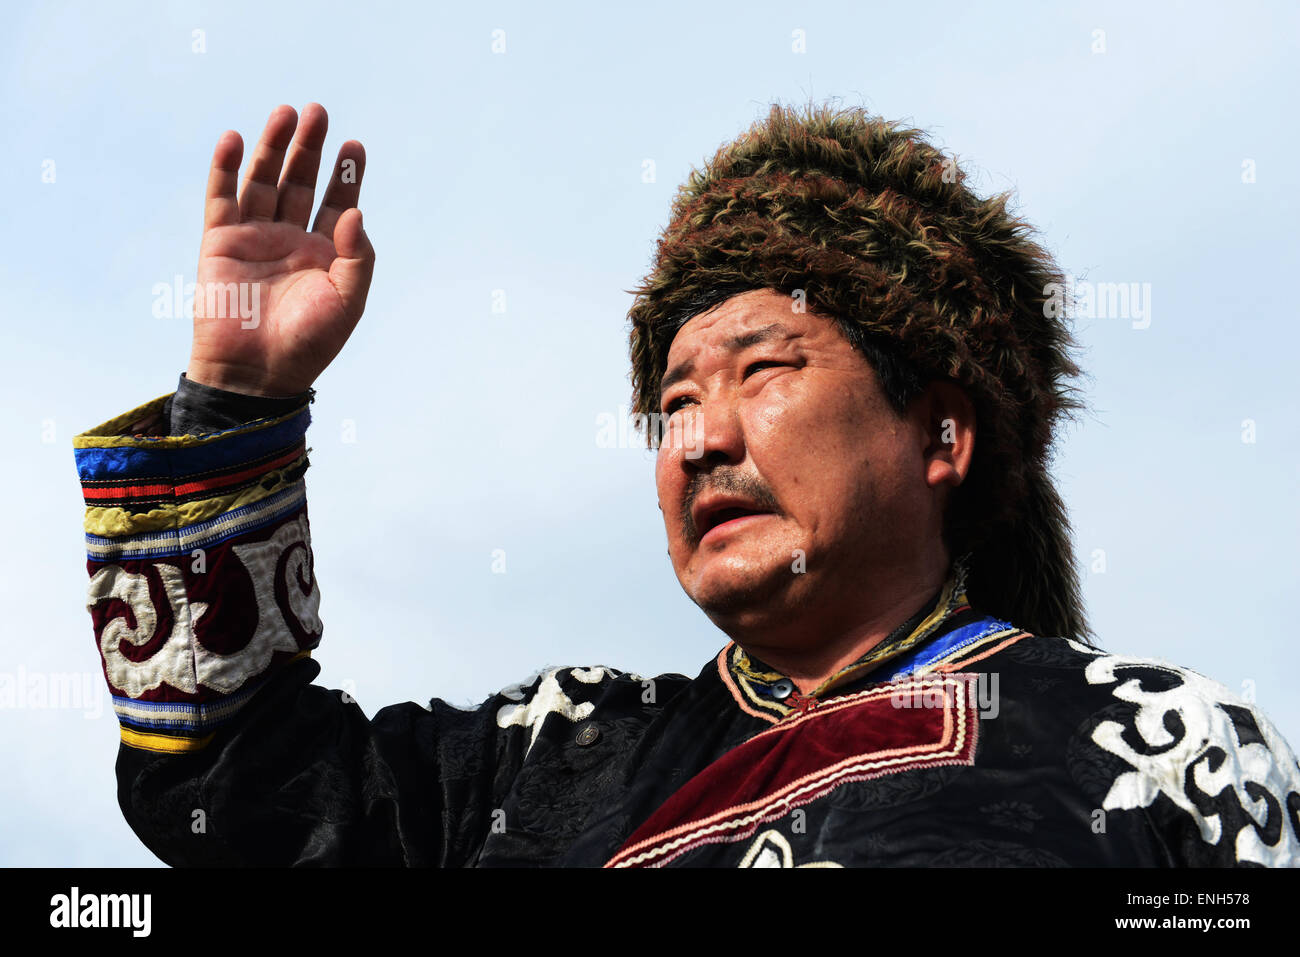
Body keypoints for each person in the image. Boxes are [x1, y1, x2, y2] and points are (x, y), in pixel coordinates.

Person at [73, 101, 1300, 867]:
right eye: (671, 405)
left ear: (941, 434)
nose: (699, 441)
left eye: (764, 372)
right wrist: (235, 403)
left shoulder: (1158, 754)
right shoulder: (545, 766)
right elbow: (228, 792)